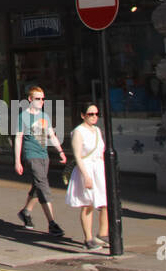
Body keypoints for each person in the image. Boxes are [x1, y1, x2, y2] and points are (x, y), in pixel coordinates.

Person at [14, 86, 67, 237]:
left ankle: (26, 212)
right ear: (30, 99)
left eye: (43, 99)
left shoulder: (45, 116)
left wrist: (61, 151)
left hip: (44, 156)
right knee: (43, 186)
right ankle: (52, 223)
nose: (41, 101)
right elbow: (18, 138)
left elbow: (51, 135)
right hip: (31, 155)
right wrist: (17, 161)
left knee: (38, 185)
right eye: (38, 98)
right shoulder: (23, 117)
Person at [67, 104, 109, 250]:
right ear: (82, 115)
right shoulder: (78, 132)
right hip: (86, 169)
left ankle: (102, 235)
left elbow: (101, 152)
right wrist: (86, 176)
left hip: (98, 169)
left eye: (96, 114)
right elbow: (78, 156)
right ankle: (88, 239)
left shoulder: (97, 130)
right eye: (90, 114)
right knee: (88, 204)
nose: (94, 117)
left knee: (105, 203)